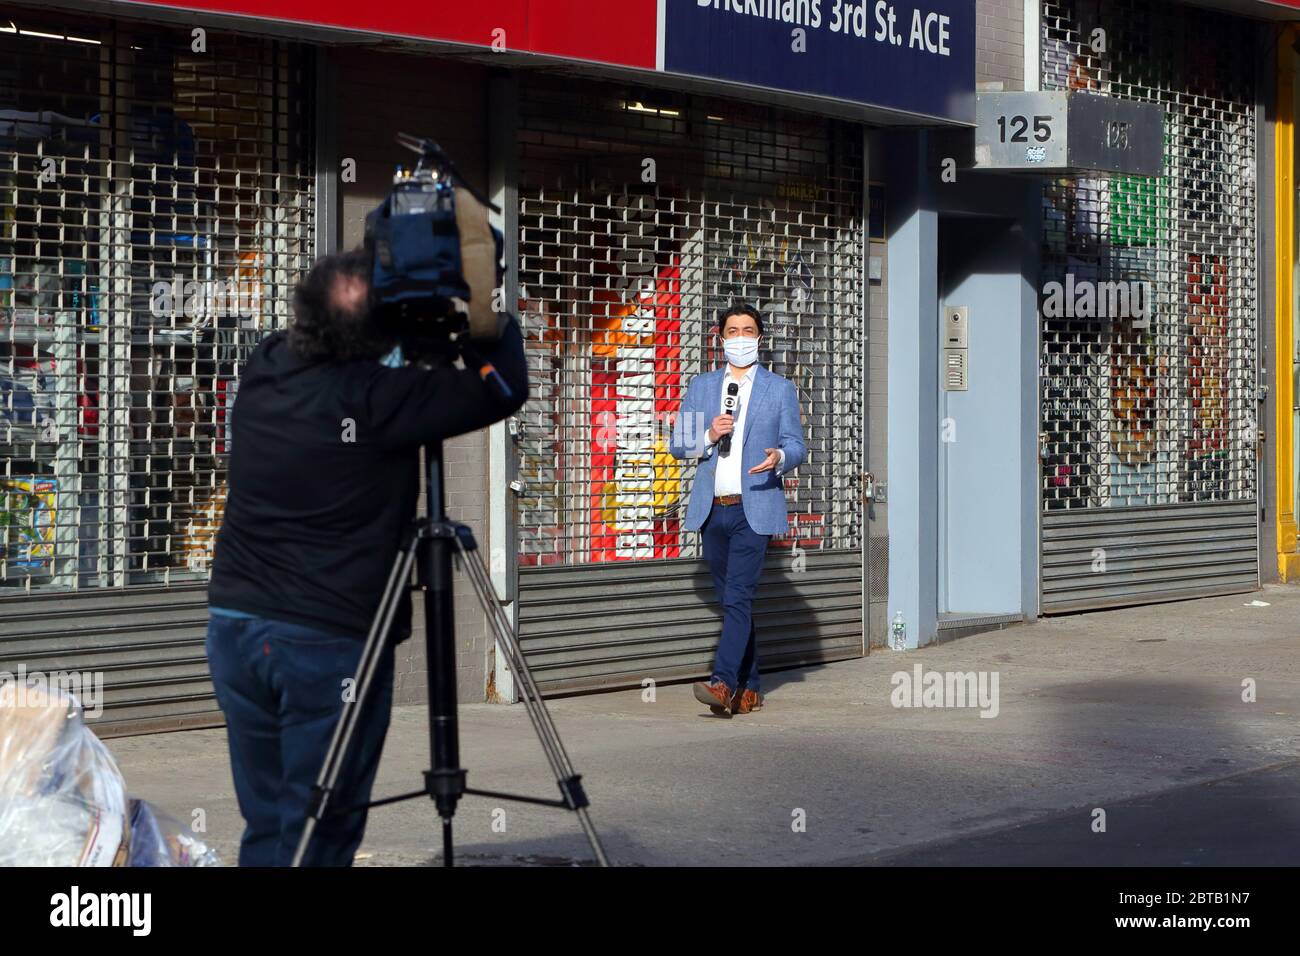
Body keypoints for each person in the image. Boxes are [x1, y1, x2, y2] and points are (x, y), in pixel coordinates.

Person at [204, 247, 528, 865]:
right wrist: (487, 315)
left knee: (271, 819)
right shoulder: (381, 400)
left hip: (236, 629)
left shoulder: (266, 365)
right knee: (319, 829)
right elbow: (502, 386)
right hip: (325, 645)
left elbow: (344, 336)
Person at [669, 303, 806, 716]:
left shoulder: (778, 389)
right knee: (735, 601)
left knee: (738, 596)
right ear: (721, 338)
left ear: (759, 338)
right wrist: (709, 433)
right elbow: (679, 445)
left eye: (748, 330)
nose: (741, 337)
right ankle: (751, 687)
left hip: (755, 507)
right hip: (712, 510)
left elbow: (798, 444)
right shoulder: (703, 386)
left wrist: (780, 457)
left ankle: (723, 682)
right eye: (733, 330)